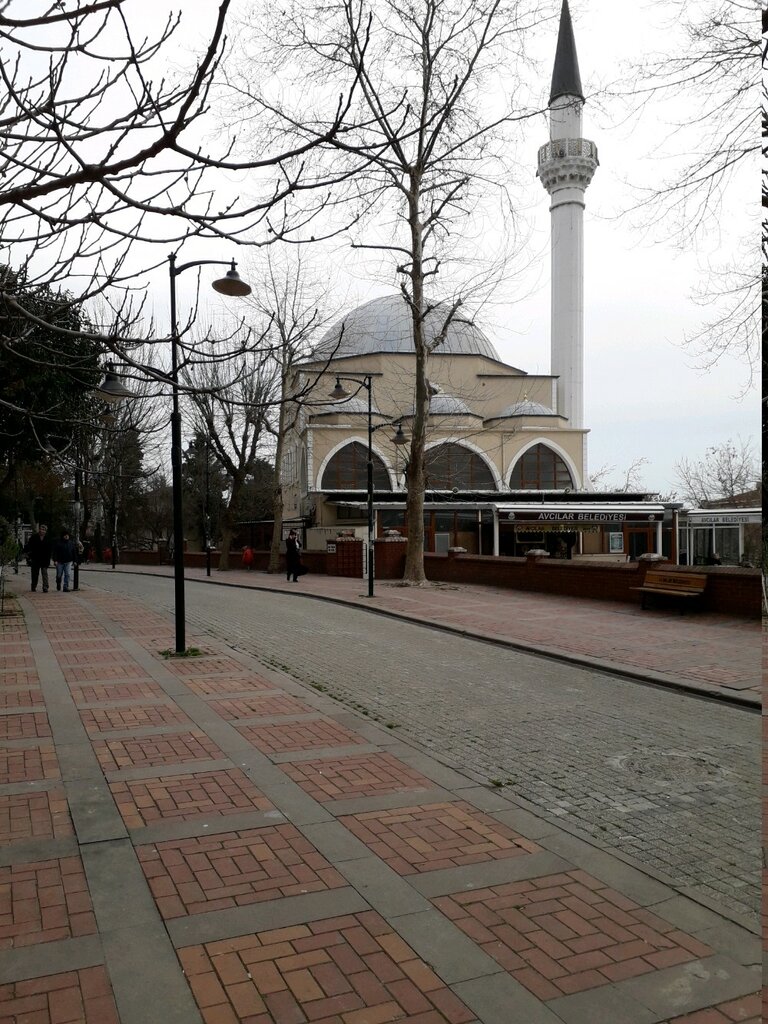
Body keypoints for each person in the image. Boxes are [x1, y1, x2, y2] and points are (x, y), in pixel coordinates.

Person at [24, 524, 52, 593]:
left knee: (44, 573)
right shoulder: (34, 537)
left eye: (44, 530)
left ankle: (45, 587)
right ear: (39, 530)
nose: (42, 531)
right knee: (35, 574)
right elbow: (29, 546)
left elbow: (50, 550)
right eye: (41, 529)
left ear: (45, 531)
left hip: (44, 559)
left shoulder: (48, 538)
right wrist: (28, 555)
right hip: (35, 558)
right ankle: (33, 586)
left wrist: (49, 559)